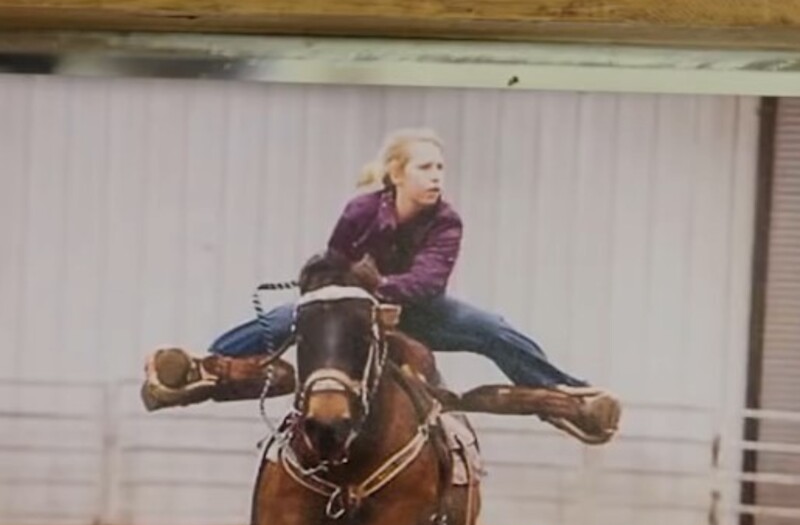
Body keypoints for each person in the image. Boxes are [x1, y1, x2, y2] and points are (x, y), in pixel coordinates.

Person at [143, 127, 620, 443]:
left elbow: (429, 283)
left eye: (440, 168)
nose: (436, 177)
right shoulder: (360, 211)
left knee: (490, 329)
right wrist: (337, 282)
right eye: (426, 168)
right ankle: (204, 367)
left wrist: (379, 284)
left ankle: (565, 397)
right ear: (397, 174)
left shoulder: (447, 221)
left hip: (421, 311)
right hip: (351, 303)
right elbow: (334, 264)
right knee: (284, 318)